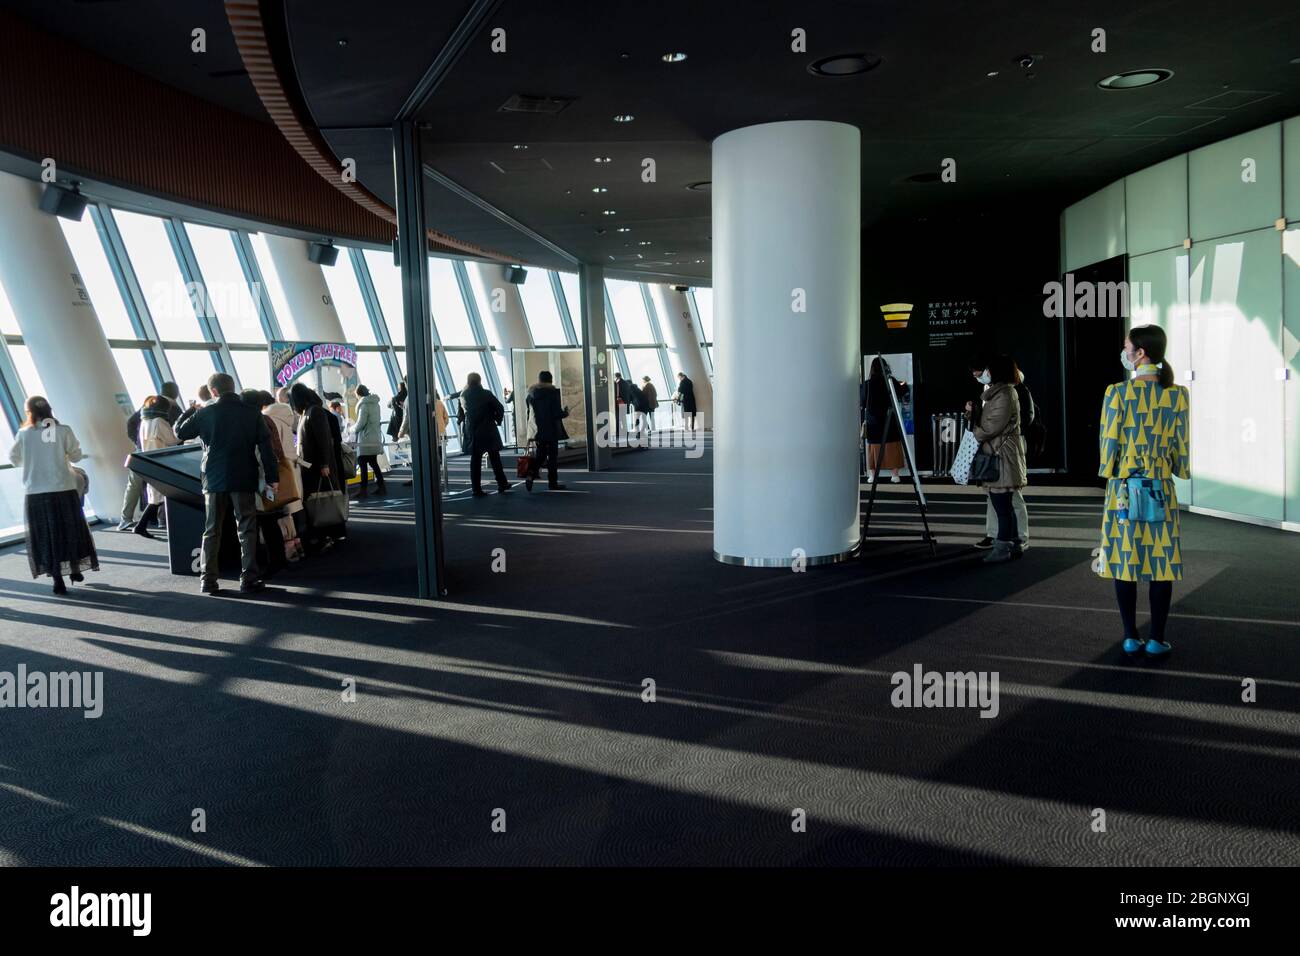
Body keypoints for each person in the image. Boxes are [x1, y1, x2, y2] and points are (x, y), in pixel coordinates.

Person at [1098, 325, 1189, 658]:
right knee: (1160, 564)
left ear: (1140, 353)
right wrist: (1179, 469)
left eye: (1127, 347)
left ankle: (1129, 636)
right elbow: (1182, 444)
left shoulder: (1117, 392)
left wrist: (1109, 470)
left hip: (1124, 488)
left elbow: (1108, 443)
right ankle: (1157, 638)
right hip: (1160, 489)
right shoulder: (1177, 394)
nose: (1124, 352)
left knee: (1125, 561)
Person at [175, 373, 279, 595]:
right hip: (243, 476)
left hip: (213, 479)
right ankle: (249, 578)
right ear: (233, 388)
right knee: (247, 528)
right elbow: (266, 449)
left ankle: (208, 580)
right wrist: (272, 478)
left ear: (213, 392)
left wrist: (192, 409)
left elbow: (180, 432)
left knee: (212, 530)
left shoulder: (205, 413)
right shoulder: (252, 414)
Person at [7, 396, 99, 594]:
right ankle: (75, 568)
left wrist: (33, 462)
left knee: (46, 535)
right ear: (49, 409)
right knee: (70, 529)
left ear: (29, 412)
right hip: (63, 488)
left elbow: (13, 459)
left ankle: (58, 579)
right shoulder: (62, 430)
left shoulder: (24, 434)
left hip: (36, 493)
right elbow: (76, 456)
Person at [970, 358, 1033, 551]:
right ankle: (997, 535)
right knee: (995, 496)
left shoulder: (1009, 391)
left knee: (1010, 497)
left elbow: (993, 425)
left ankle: (1016, 538)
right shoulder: (995, 391)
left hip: (1004, 450)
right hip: (997, 448)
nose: (980, 376)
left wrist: (977, 431)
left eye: (982, 371)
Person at [291, 382, 346, 551]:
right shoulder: (308, 413)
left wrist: (324, 464)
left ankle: (326, 534)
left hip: (317, 466)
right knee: (319, 499)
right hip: (310, 465)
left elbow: (323, 440)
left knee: (322, 499)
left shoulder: (314, 412)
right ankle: (325, 534)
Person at [263, 388, 305, 563]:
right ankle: (297, 544)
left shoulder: (268, 419)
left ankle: (289, 550)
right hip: (292, 467)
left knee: (280, 511)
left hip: (279, 468)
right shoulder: (287, 416)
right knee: (289, 509)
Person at [132, 395, 179, 539]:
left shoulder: (145, 421)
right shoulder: (159, 421)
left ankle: (140, 526)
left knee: (156, 499)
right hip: (163, 463)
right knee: (162, 497)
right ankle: (141, 526)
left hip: (151, 462)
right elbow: (172, 441)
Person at [457, 373, 511, 496]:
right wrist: (498, 420)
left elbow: (460, 415)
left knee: (475, 461)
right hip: (488, 430)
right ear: (480, 381)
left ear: (468, 381)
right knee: (495, 458)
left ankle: (476, 489)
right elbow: (500, 408)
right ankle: (502, 483)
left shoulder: (463, 395)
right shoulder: (486, 394)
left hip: (472, 432)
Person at [863, 357, 908, 483]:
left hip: (873, 421)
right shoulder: (890, 381)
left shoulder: (868, 383)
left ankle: (872, 475)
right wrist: (903, 383)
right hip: (889, 420)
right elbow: (902, 390)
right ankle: (895, 475)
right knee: (892, 446)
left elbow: (862, 401)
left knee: (874, 448)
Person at [524, 369, 569, 492]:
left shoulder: (531, 394)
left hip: (537, 430)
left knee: (540, 455)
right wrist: (565, 412)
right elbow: (556, 413)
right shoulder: (552, 393)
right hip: (551, 429)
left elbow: (529, 413)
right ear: (551, 380)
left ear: (539, 380)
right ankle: (552, 483)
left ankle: (530, 474)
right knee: (552, 457)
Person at [353, 384, 387, 495]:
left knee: (362, 463)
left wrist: (351, 429)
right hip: (375, 437)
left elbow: (361, 423)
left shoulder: (364, 405)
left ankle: (363, 490)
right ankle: (381, 487)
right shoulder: (375, 403)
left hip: (365, 439)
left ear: (359, 394)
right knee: (373, 462)